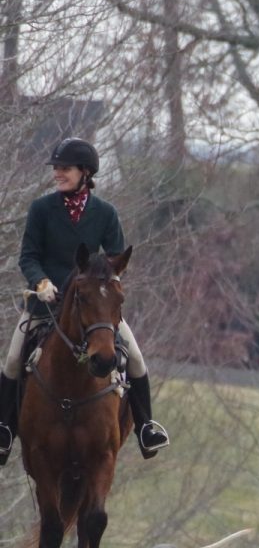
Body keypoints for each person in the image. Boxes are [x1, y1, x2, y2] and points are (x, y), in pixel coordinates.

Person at [1, 137, 169, 466]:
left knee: (135, 357)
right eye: (57, 168)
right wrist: (41, 282)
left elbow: (116, 259)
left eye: (65, 168)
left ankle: (146, 428)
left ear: (85, 172)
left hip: (93, 308)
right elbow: (28, 257)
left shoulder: (105, 213)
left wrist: (105, 286)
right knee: (10, 360)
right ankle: (4, 429)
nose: (58, 174)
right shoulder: (41, 209)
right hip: (45, 305)